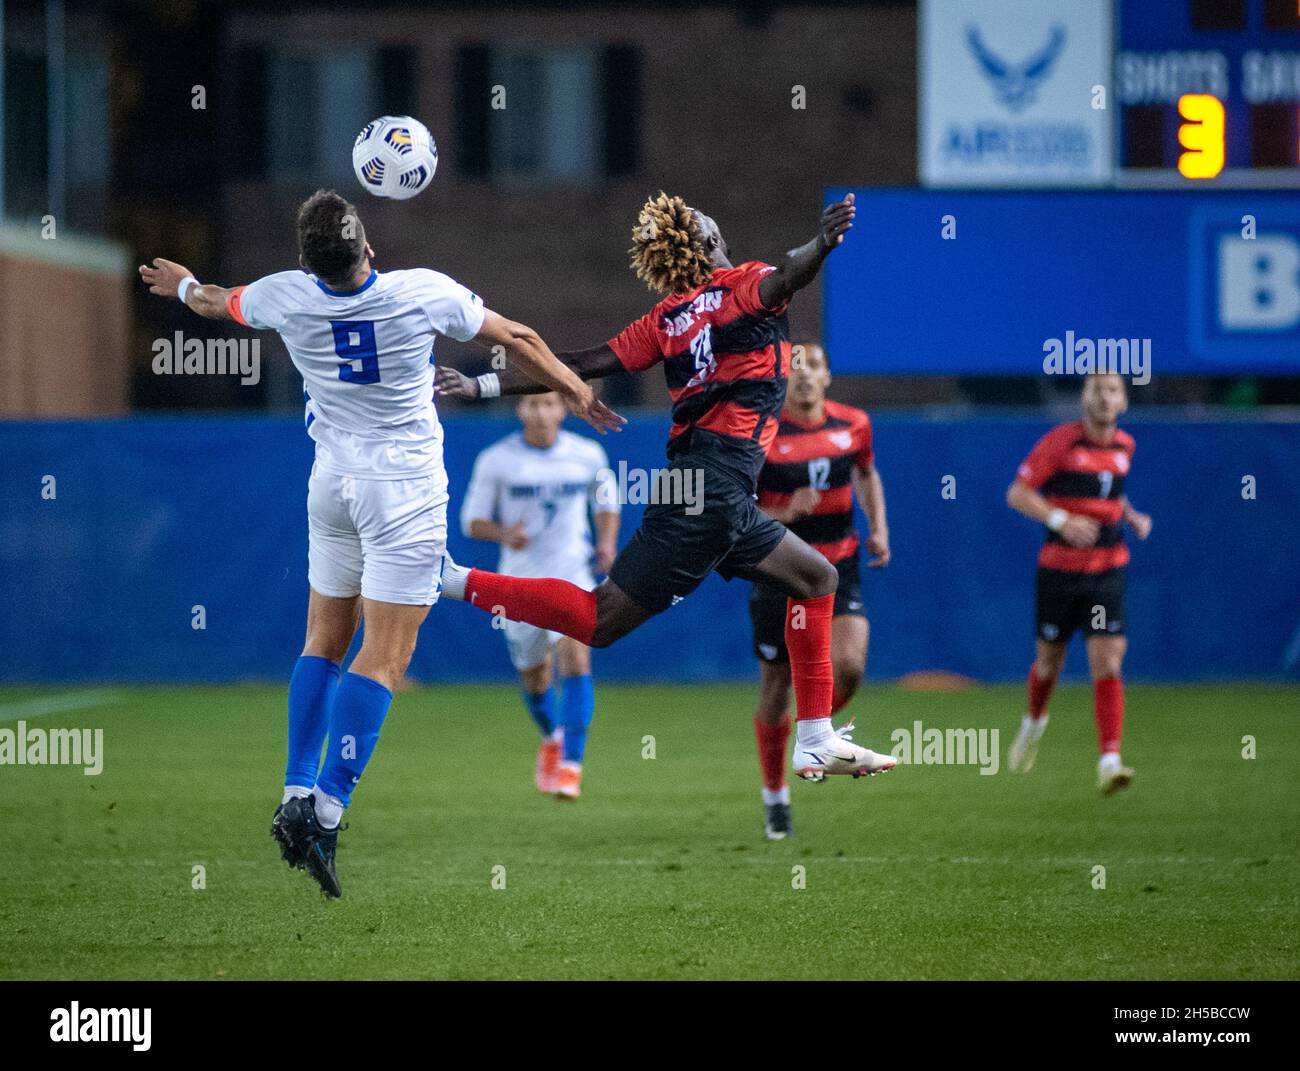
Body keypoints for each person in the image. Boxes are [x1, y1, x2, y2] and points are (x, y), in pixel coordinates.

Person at [139, 189, 621, 896]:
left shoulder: (285, 296)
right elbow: (516, 339)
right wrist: (576, 387)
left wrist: (181, 283)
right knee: (387, 655)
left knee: (323, 639)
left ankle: (296, 788)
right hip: (402, 490)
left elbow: (213, 301)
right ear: (368, 248)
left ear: (307, 261)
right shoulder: (419, 291)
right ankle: (327, 811)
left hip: (332, 482)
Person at [437, 191, 896, 783]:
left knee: (816, 578)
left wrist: (483, 387)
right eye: (705, 222)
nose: (709, 218)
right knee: (599, 620)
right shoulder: (742, 285)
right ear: (706, 244)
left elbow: (576, 360)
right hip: (715, 487)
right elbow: (787, 276)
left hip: (701, 487)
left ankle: (813, 739)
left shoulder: (666, 319)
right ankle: (448, 578)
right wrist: (823, 245)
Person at [749, 341, 890, 838]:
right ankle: (775, 797)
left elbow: (867, 473)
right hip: (777, 573)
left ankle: (813, 737)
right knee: (776, 690)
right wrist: (787, 512)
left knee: (849, 666)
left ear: (828, 376)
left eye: (814, 366)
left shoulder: (853, 424)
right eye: (794, 367)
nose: (804, 375)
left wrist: (879, 527)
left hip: (839, 565)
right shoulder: (762, 433)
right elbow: (738, 513)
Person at [460, 392, 620, 799]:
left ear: (563, 409)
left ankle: (571, 765)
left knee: (577, 656)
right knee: (535, 677)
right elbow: (471, 521)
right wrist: (503, 534)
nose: (542, 412)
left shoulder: (587, 453)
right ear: (520, 410)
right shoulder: (497, 460)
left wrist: (606, 543)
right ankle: (552, 736)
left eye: (549, 403)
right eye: (532, 404)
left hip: (573, 576)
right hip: (520, 585)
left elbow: (606, 503)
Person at [1005, 373, 1152, 795]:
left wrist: (1130, 515)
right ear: (1083, 399)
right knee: (1049, 665)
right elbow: (1017, 493)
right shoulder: (1061, 442)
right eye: (1096, 390)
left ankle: (1110, 760)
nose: (1104, 397)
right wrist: (1060, 519)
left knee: (1107, 662)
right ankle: (1033, 724)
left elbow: (1110, 493)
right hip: (1059, 572)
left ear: (1123, 402)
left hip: (1107, 571)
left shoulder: (1125, 446)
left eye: (1112, 391)